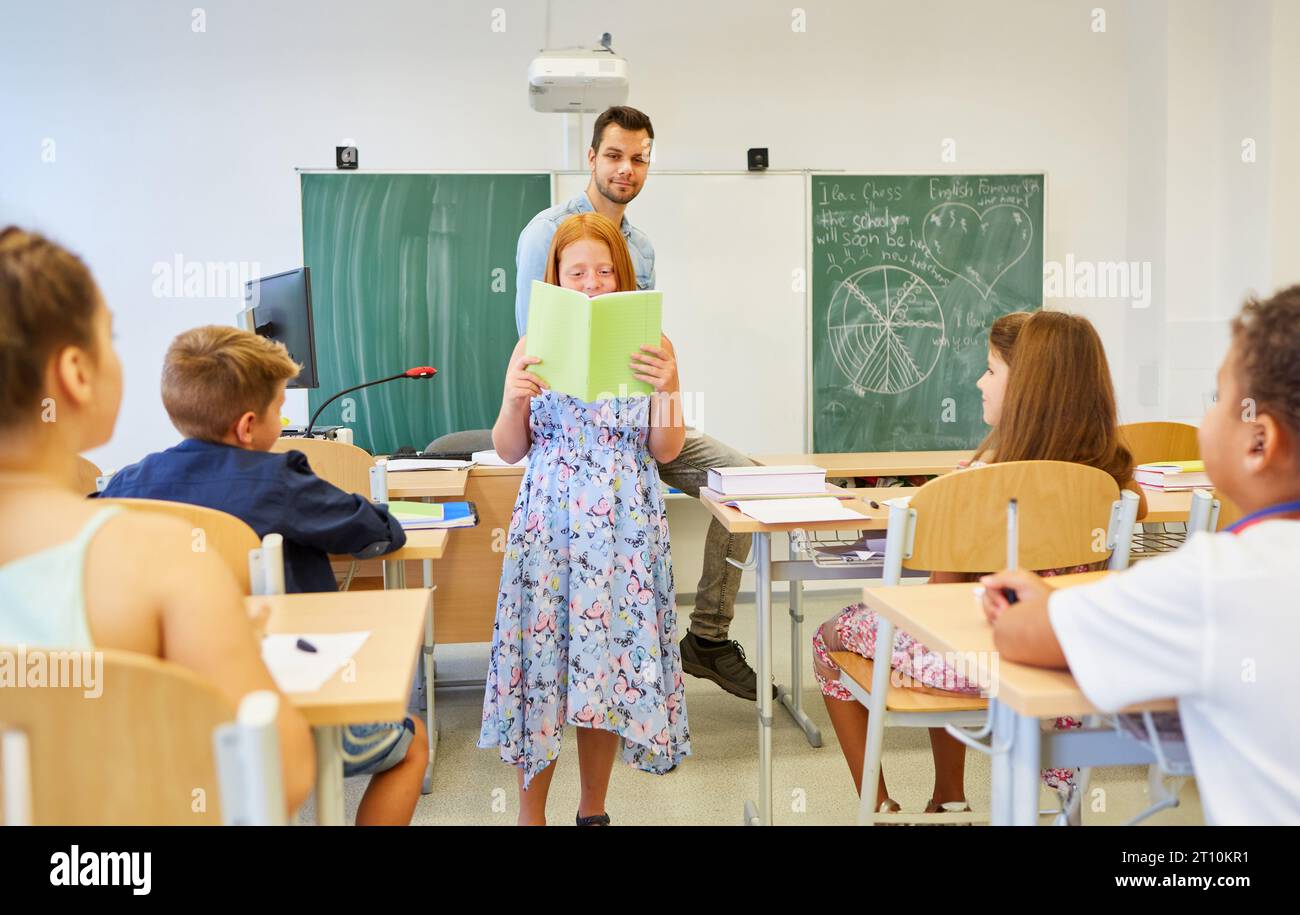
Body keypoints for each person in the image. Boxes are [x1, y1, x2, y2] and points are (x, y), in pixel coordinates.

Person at [0, 226, 315, 818]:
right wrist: (226, 640)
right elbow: (281, 775)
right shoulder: (161, 560)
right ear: (76, 373)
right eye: (109, 336)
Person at [981, 287, 1300, 825]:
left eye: (1218, 397)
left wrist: (1041, 603)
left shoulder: (1215, 580)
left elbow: (1019, 632)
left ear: (1258, 442)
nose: (1206, 414)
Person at [813, 310, 1144, 816]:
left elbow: (935, 604)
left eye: (991, 370)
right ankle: (960, 797)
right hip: (1068, 663)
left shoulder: (979, 482)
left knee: (833, 634)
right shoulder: (1113, 483)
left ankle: (881, 807)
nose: (978, 381)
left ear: (1029, 387)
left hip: (981, 663)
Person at [99, 324, 425, 826]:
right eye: (280, 408)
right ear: (249, 426)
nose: (286, 418)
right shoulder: (278, 481)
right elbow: (378, 533)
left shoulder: (127, 483)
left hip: (166, 717)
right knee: (412, 743)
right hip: (286, 711)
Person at [514, 105, 767, 701]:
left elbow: (640, 335)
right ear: (591, 158)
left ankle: (706, 636)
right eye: (615, 156)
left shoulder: (643, 248)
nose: (627, 169)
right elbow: (537, 338)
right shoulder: (546, 231)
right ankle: (579, 677)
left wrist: (661, 388)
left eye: (639, 158)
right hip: (573, 432)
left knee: (743, 482)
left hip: (634, 420)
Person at [481, 211, 690, 825]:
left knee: (606, 661)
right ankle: (530, 814)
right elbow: (509, 448)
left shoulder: (657, 345)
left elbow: (667, 448)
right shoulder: (532, 344)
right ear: (557, 279)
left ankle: (593, 810)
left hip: (625, 526)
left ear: (621, 275)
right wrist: (515, 395)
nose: (592, 282)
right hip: (550, 521)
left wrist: (669, 384)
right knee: (542, 664)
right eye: (577, 272)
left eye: (604, 270)